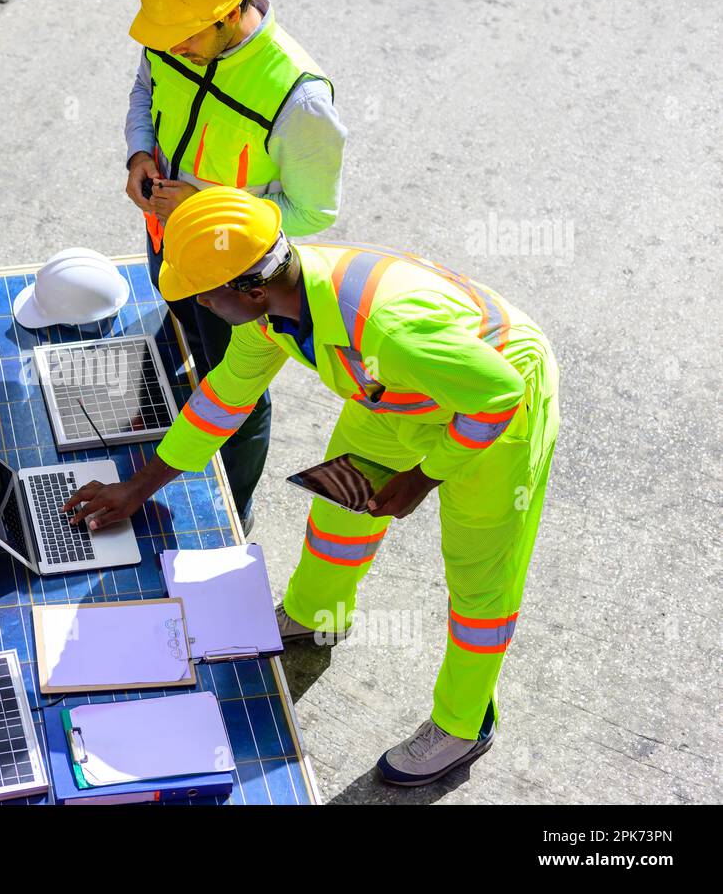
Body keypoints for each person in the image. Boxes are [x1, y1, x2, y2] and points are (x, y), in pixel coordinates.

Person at [65, 187, 559, 785]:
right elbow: (227, 395)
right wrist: (139, 488)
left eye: (206, 298)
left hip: (493, 402)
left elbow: (495, 397)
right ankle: (315, 614)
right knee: (341, 516)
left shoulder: (383, 327)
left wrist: (423, 478)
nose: (206, 310)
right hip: (396, 394)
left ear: (248, 289)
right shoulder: (276, 302)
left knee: (479, 583)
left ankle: (462, 724)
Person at [123, 0, 347, 533]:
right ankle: (177, 395)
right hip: (165, 242)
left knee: (236, 392)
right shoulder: (175, 28)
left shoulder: (301, 100)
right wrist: (138, 153)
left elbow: (314, 212)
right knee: (180, 333)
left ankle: (231, 510)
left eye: (185, 41)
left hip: (233, 277)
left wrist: (208, 208)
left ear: (228, 16)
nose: (172, 50)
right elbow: (144, 93)